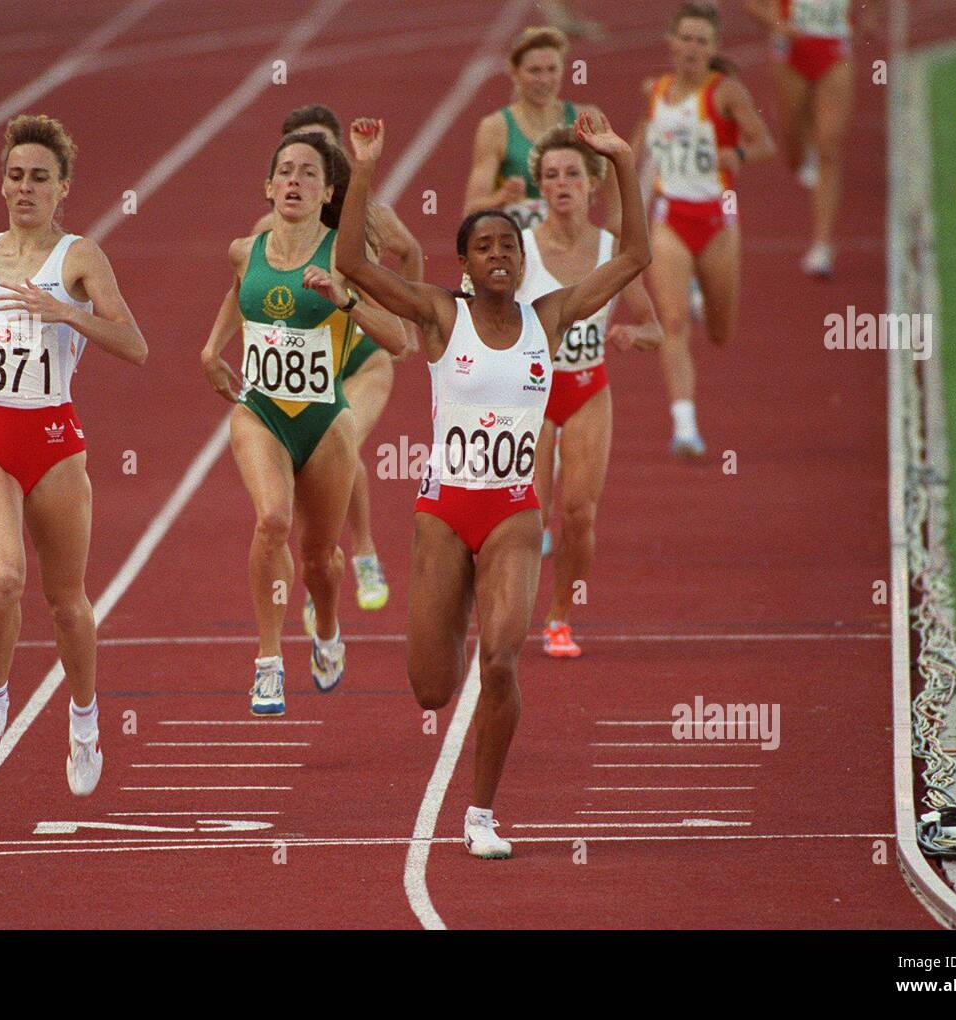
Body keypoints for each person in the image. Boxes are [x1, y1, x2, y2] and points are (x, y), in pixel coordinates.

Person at [337, 111, 649, 858]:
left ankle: (480, 815)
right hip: (444, 515)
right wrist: (365, 169)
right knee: (430, 689)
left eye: (509, 245)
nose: (500, 256)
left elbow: (635, 252)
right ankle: (455, 606)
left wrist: (621, 159)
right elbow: (350, 260)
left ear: (522, 258)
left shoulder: (552, 314)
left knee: (502, 661)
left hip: (512, 513)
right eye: (484, 248)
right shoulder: (443, 315)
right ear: (468, 265)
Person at [0, 114, 147, 795]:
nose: (25, 188)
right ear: (2, 183)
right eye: (15, 176)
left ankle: (83, 724)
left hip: (53, 441)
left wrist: (66, 312)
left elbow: (135, 345)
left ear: (62, 187)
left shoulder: (78, 257)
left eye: (40, 178)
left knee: (66, 601)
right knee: (5, 577)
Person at [199, 130, 407, 716]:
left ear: (326, 192)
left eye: (309, 173)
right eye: (285, 171)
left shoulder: (343, 255)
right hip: (260, 412)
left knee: (319, 558)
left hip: (324, 423)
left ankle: (328, 629)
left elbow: (401, 341)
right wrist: (212, 349)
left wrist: (344, 299)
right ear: (268, 187)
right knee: (271, 520)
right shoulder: (246, 248)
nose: (294, 180)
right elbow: (240, 291)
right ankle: (268, 662)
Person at [247, 105, 423, 627]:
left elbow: (410, 252)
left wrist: (407, 317)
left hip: (361, 364)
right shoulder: (267, 229)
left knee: (340, 438)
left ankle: (363, 553)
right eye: (294, 161)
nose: (303, 171)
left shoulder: (365, 214)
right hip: (299, 374)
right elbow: (248, 293)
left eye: (321, 157)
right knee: (307, 472)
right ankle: (321, 568)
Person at [517, 125, 663, 658]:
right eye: (551, 175)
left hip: (586, 389)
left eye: (572, 173)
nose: (562, 183)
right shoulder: (520, 250)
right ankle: (506, 610)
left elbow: (654, 328)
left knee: (578, 514)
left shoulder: (611, 252)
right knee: (527, 512)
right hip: (531, 395)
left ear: (592, 184)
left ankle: (559, 617)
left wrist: (632, 335)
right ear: (539, 186)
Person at [631, 2, 774, 456]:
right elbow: (640, 143)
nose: (692, 48)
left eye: (702, 41)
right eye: (685, 38)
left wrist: (742, 157)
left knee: (719, 331)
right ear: (671, 42)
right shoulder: (656, 91)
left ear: (713, 48)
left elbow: (765, 144)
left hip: (718, 215)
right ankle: (685, 427)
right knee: (672, 323)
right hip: (670, 216)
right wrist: (614, 172)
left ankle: (698, 288)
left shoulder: (725, 92)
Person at [744, 0, 879, 276]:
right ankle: (802, 149)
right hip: (791, 53)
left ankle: (822, 245)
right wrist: (777, 24)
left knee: (828, 148)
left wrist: (871, 17)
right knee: (793, 142)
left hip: (835, 52)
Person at [463, 26, 610, 232]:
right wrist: (501, 198)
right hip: (522, 253)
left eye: (552, 69)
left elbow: (616, 193)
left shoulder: (587, 119)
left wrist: (614, 237)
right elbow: (471, 210)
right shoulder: (496, 127)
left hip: (572, 247)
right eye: (534, 71)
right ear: (514, 72)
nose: (545, 80)